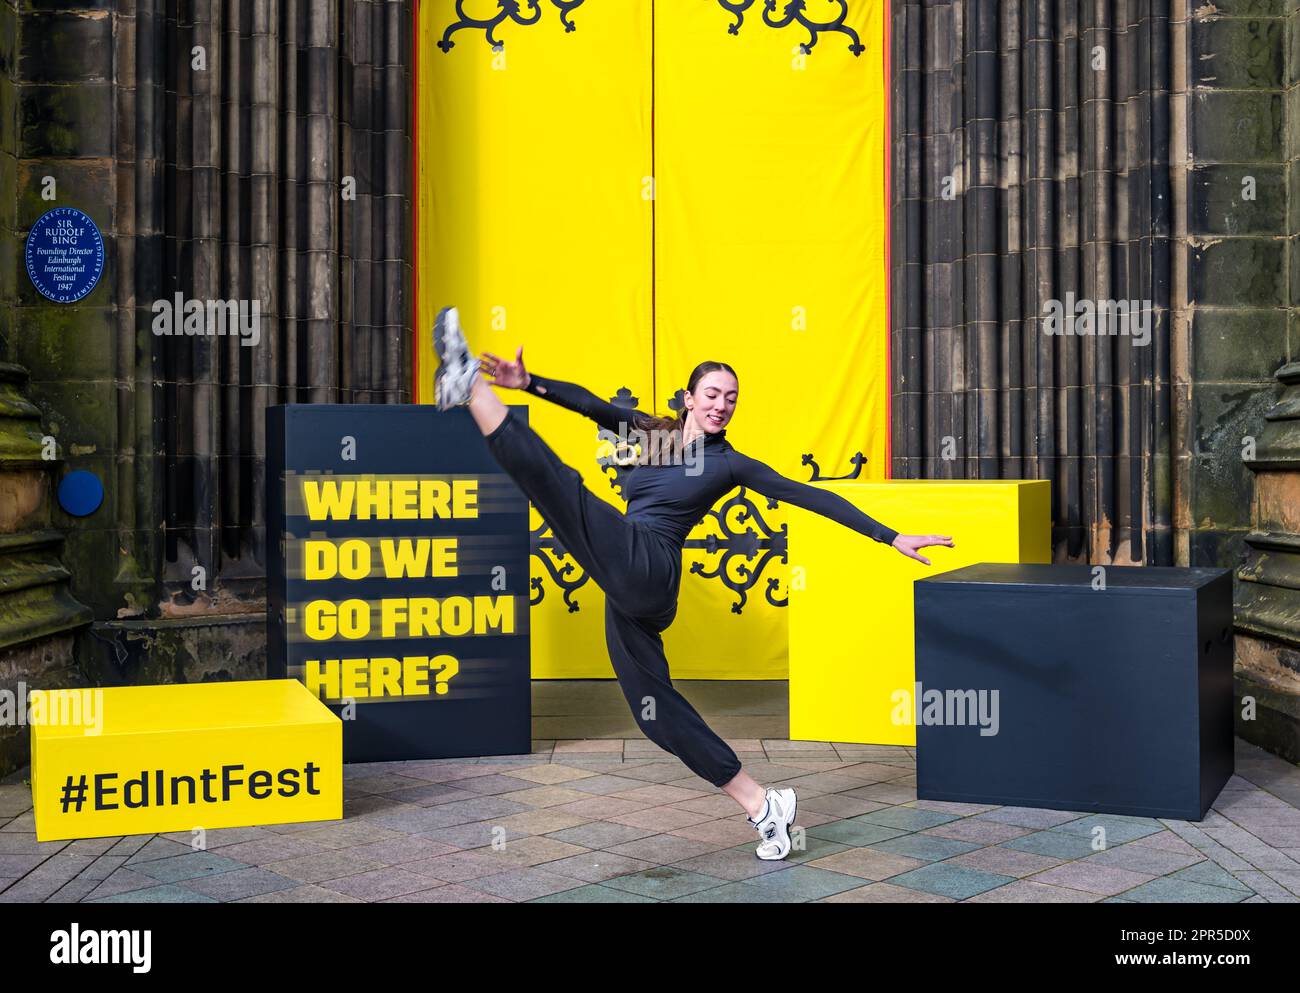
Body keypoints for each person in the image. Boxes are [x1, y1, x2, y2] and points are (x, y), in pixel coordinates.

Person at [431, 306, 955, 859]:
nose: (721, 405)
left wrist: (890, 535)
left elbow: (811, 496)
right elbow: (593, 407)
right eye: (711, 394)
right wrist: (529, 383)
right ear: (688, 398)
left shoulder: (728, 463)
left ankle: (468, 386)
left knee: (561, 489)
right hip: (631, 588)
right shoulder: (658, 442)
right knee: (654, 713)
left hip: (649, 565)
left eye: (730, 397)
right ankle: (761, 805)